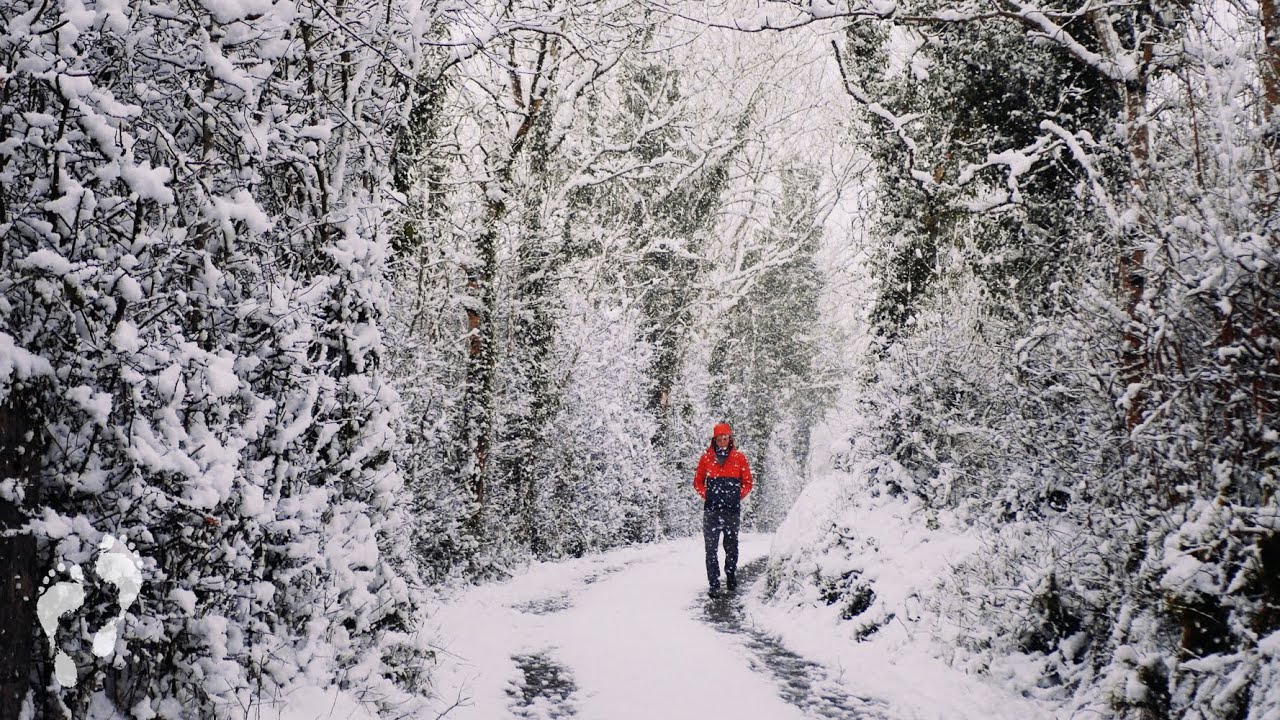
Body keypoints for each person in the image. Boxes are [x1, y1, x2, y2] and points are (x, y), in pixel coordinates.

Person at [693, 422, 753, 597]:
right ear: (715, 440)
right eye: (720, 438)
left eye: (726, 438)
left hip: (731, 511)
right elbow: (697, 482)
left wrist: (736, 496)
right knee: (711, 548)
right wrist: (708, 495)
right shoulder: (706, 459)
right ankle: (713, 583)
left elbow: (748, 482)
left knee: (731, 546)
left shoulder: (739, 458)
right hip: (711, 511)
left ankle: (731, 573)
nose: (723, 441)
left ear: (730, 439)